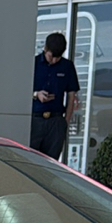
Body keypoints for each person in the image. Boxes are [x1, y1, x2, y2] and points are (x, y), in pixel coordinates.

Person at [31, 32, 80, 161]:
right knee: (29, 159)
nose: (54, 60)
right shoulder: (33, 63)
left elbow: (71, 96)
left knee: (51, 162)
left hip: (56, 120)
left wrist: (65, 122)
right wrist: (36, 94)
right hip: (35, 119)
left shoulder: (67, 66)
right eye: (51, 56)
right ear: (45, 49)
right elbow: (22, 90)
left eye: (58, 57)